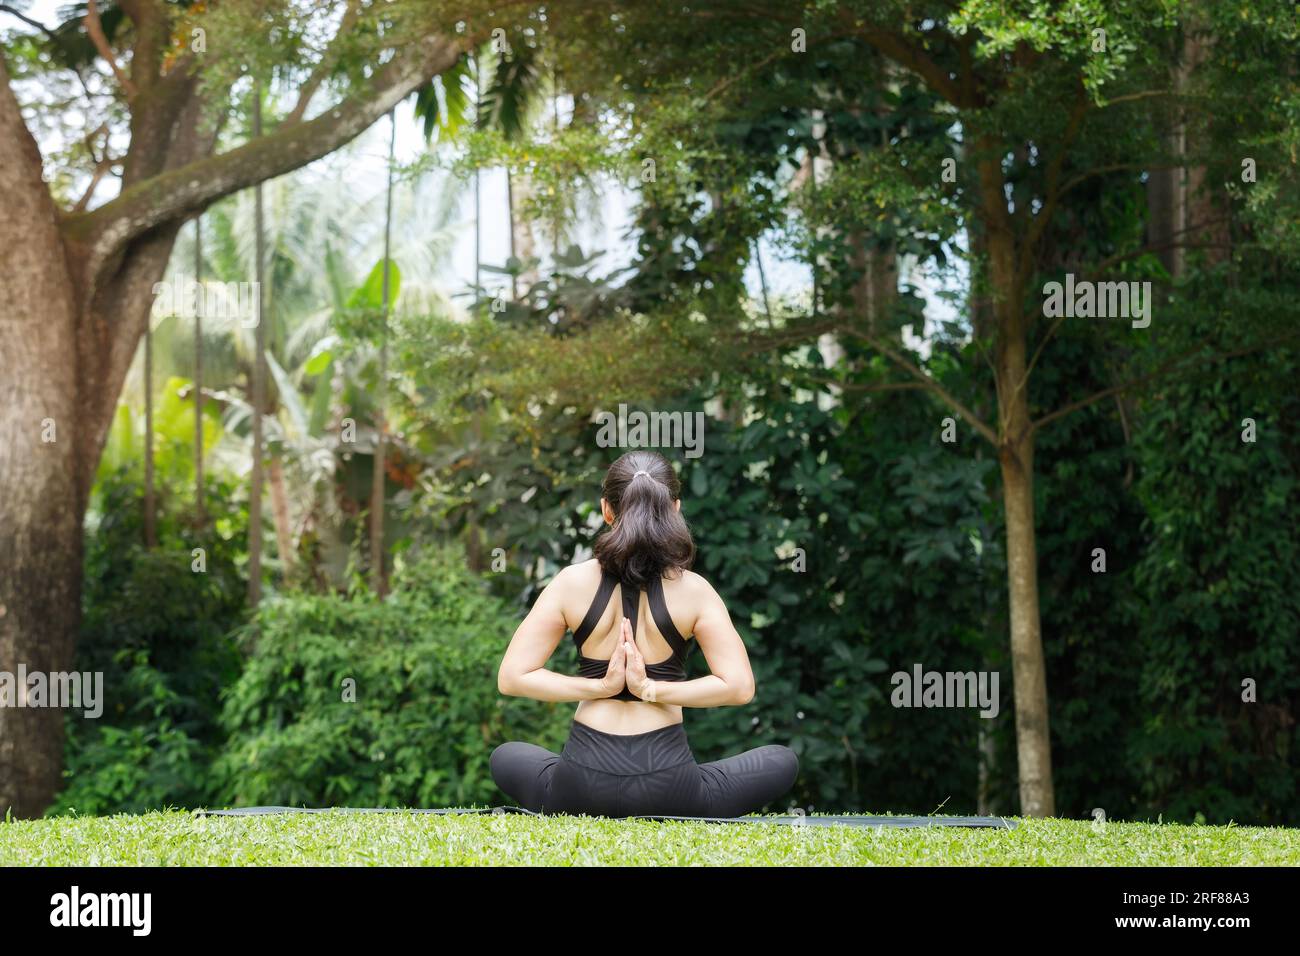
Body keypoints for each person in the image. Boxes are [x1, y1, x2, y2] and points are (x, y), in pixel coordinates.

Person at [490, 449, 799, 819]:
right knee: (781, 760)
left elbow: (512, 678)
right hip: (671, 790)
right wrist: (652, 690)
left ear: (607, 509)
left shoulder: (571, 582)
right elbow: (739, 687)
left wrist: (599, 688)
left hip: (579, 788)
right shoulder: (694, 590)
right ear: (674, 508)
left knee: (506, 756)